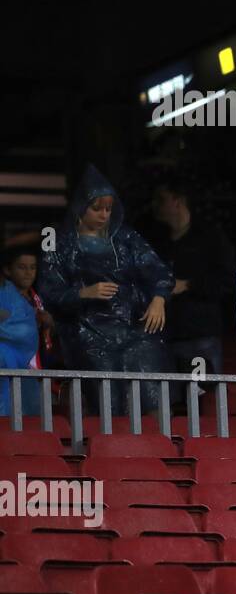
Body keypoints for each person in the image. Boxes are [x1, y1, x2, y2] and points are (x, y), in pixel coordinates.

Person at [38, 165, 174, 414]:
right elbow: (49, 290)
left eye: (108, 209)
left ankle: (157, 444)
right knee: (106, 400)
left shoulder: (126, 238)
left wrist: (158, 299)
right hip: (89, 331)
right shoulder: (61, 243)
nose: (103, 215)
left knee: (152, 393)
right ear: (81, 207)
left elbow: (158, 270)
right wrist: (82, 293)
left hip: (134, 326)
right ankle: (108, 446)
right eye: (96, 208)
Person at [150, 176, 236, 385]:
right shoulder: (156, 240)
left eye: (162, 200)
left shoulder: (211, 238)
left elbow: (228, 282)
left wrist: (187, 285)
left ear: (177, 201)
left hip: (200, 334)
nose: (156, 206)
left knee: (202, 406)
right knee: (167, 407)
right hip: (162, 336)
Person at [2, 247, 53, 409]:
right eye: (22, 267)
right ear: (7, 270)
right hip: (6, 363)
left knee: (31, 418)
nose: (28, 272)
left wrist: (48, 323)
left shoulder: (37, 299)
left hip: (29, 368)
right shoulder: (5, 293)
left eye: (33, 267)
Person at [0, 268, 38, 417]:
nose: (28, 272)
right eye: (21, 267)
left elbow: (26, 331)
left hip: (14, 378)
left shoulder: (10, 293)